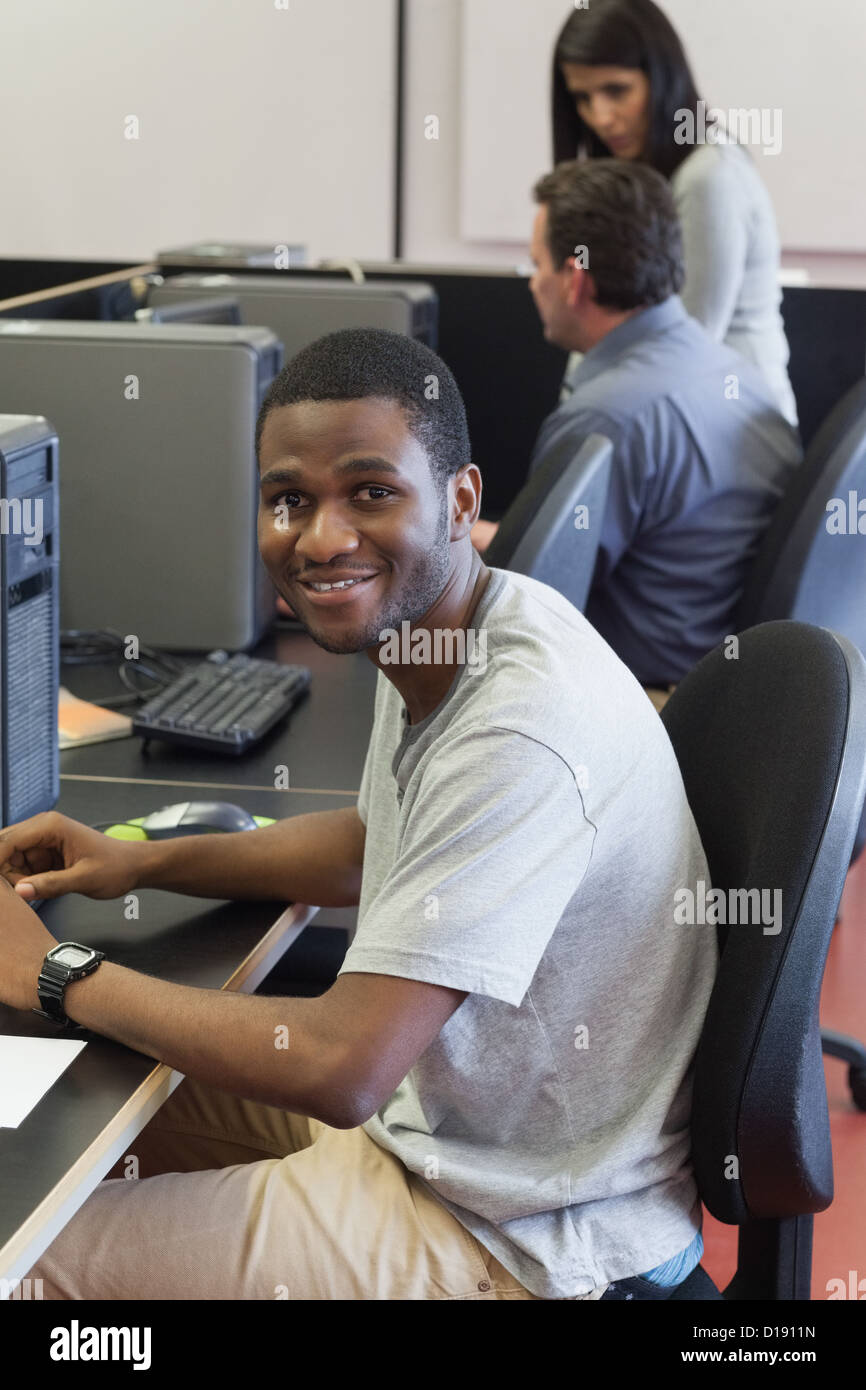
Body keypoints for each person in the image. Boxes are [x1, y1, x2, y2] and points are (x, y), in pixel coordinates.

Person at [0, 328, 717, 1301]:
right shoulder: (436, 632)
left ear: (460, 500)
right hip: (439, 1130)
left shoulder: (517, 725)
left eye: (370, 492)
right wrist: (135, 864)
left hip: (516, 1226)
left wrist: (53, 972)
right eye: (288, 498)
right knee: (90, 1099)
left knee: (26, 1262)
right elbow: (373, 849)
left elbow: (343, 1065)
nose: (321, 537)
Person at [474, 159, 801, 695]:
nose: (533, 284)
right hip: (721, 694)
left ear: (575, 281)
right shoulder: (734, 374)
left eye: (537, 266)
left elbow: (533, 602)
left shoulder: (605, 418)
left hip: (641, 706)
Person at [551, 0, 798, 426]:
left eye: (616, 91)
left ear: (661, 77)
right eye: (582, 98)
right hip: (678, 413)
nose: (600, 117)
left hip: (733, 430)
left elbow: (687, 345)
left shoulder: (709, 177)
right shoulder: (642, 173)